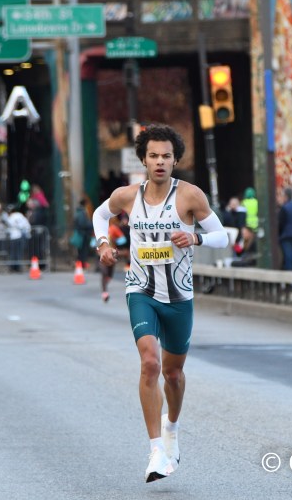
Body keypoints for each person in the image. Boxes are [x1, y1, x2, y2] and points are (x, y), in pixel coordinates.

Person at [92, 124, 229, 483]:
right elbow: (99, 215)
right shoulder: (126, 196)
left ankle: (172, 428)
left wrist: (195, 237)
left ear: (175, 159)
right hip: (141, 291)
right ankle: (155, 450)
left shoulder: (190, 196)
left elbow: (222, 235)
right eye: (153, 155)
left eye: (166, 155)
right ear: (143, 159)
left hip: (179, 298)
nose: (160, 162)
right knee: (150, 363)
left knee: (173, 374)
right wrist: (103, 244)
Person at [5, 204, 31, 272]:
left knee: (13, 252)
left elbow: (10, 226)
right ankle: (18, 267)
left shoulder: (11, 217)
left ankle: (13, 267)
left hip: (14, 236)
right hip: (22, 235)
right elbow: (26, 224)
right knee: (19, 252)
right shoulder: (20, 215)